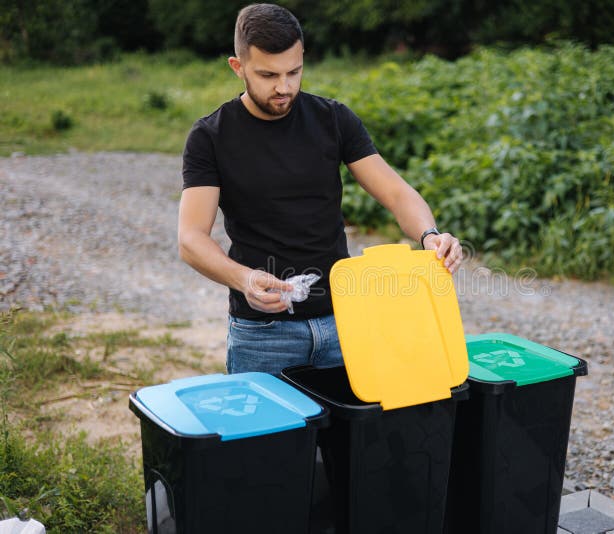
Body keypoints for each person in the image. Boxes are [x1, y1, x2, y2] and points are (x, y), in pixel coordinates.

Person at [178, 3, 462, 376]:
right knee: (269, 437)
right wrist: (243, 279)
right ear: (238, 67)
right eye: (268, 75)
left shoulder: (333, 119)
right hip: (263, 333)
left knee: (353, 436)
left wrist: (430, 235)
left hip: (344, 322)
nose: (284, 87)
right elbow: (190, 238)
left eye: (294, 72)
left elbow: (395, 192)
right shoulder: (211, 136)